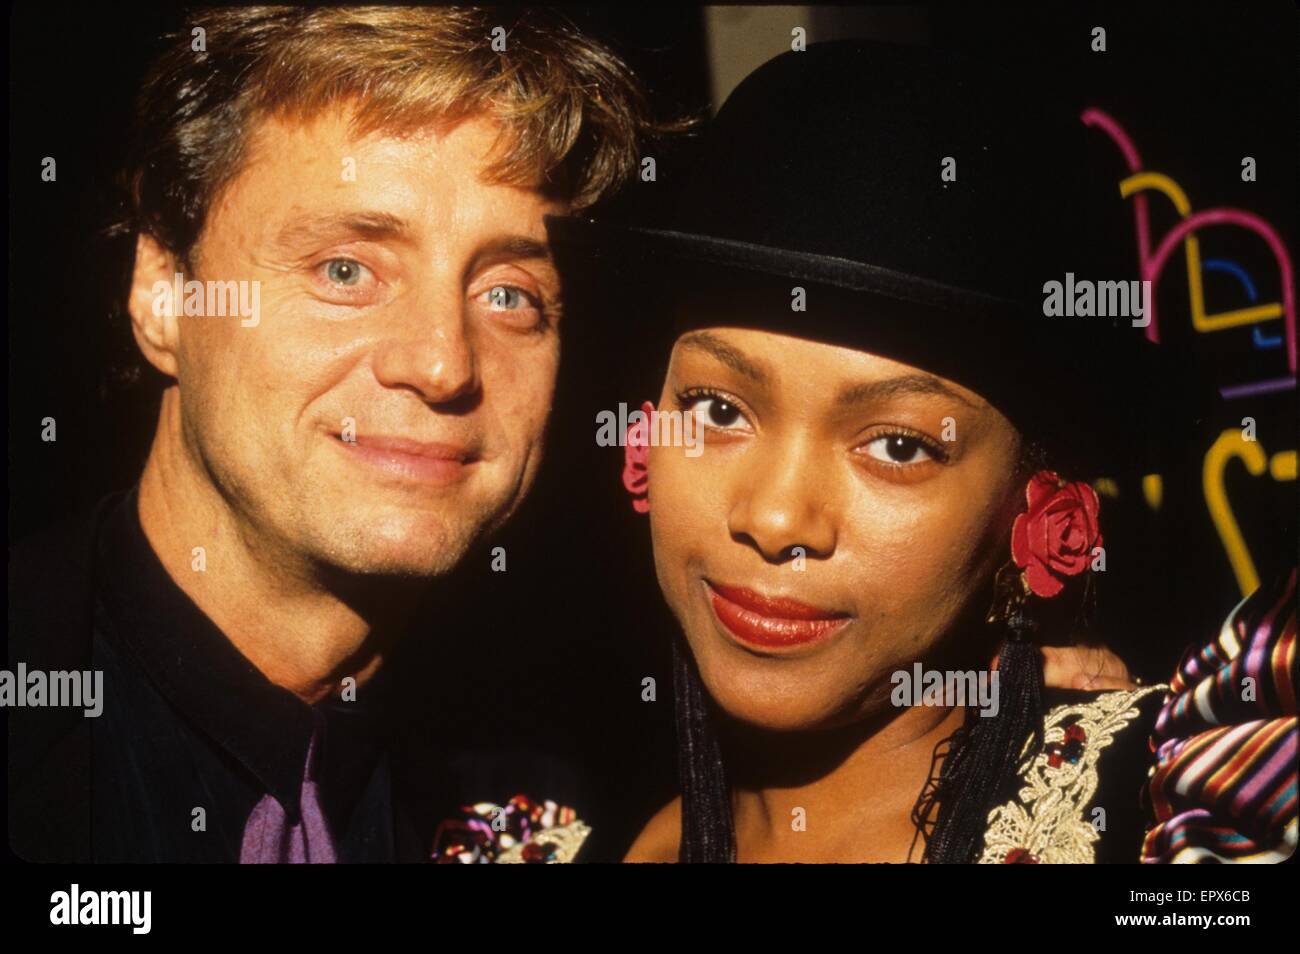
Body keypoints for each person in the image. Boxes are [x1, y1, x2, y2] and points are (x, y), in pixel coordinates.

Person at [542, 40, 1297, 863]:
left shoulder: (1183, 810)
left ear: (1036, 510)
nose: (774, 516)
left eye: (898, 445)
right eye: (719, 407)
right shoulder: (548, 842)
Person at [6, 6, 658, 863]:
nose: (442, 364)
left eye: (508, 293)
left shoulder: (575, 797)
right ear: (164, 293)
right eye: (345, 269)